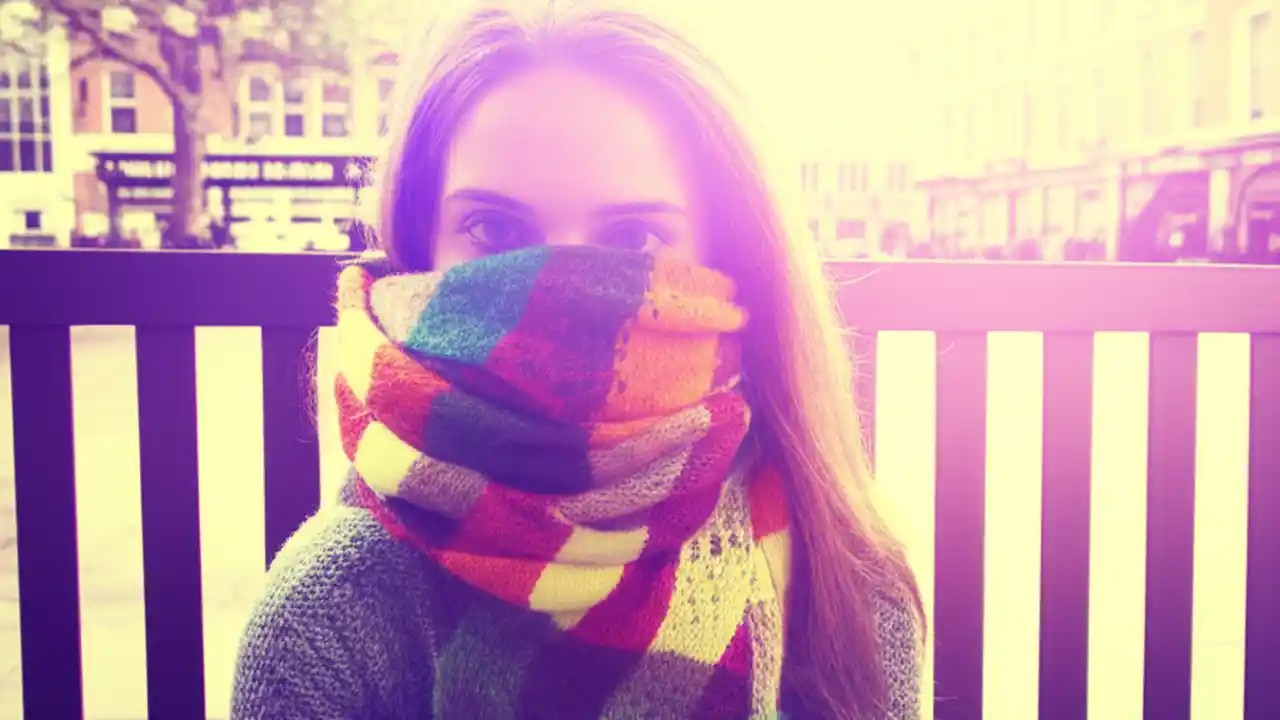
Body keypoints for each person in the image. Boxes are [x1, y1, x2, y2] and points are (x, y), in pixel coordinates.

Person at [232, 2, 924, 718]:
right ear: (418, 248)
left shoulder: (848, 587)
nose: (559, 289)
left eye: (634, 238)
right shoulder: (328, 619)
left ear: (735, 259)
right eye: (493, 227)